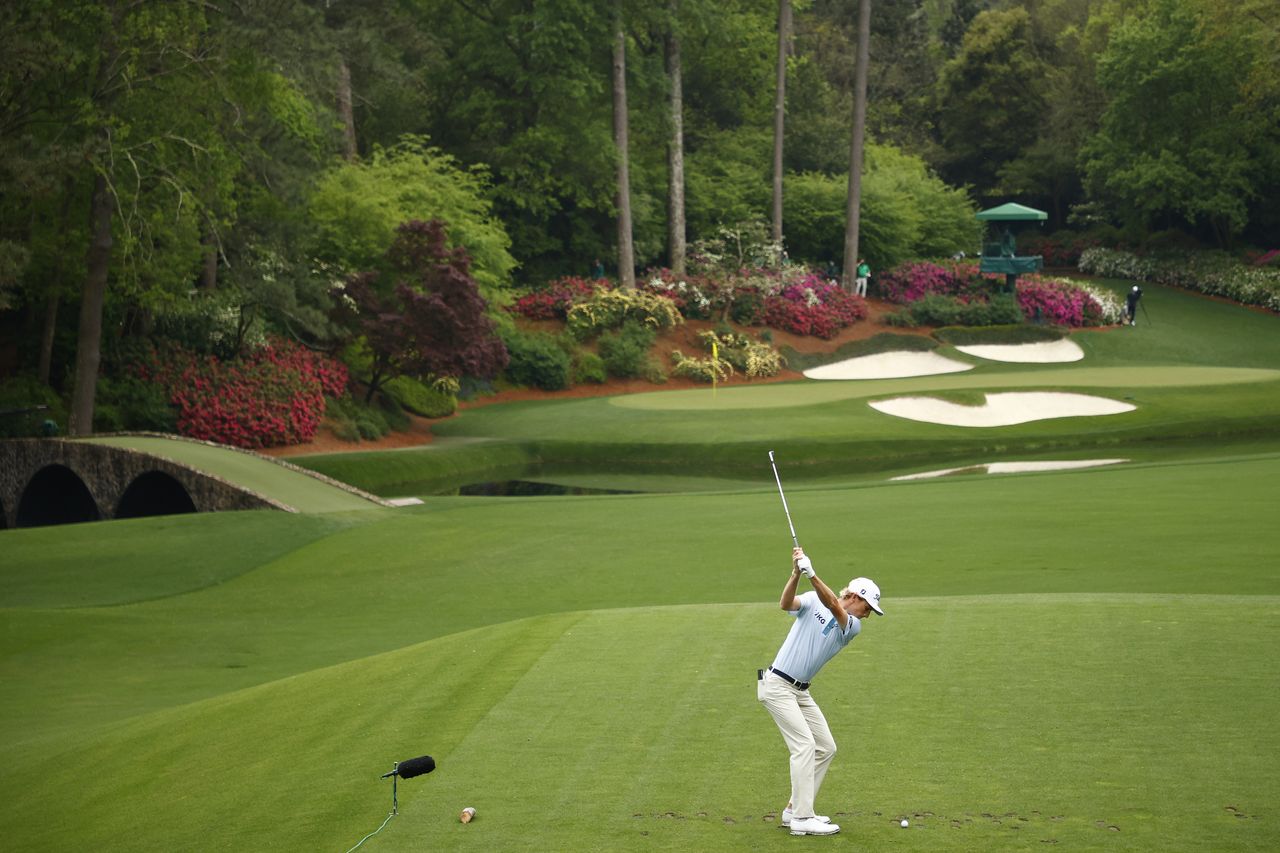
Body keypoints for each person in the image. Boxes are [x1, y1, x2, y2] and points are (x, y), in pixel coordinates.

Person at [759, 546, 883, 837]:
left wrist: (812, 573)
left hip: (800, 692)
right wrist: (796, 574)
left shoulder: (851, 625)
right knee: (804, 746)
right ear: (856, 597)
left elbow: (834, 607)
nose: (867, 616)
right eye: (867, 608)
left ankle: (794, 809)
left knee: (826, 747)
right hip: (776, 685)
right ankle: (802, 818)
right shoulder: (814, 599)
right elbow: (786, 604)